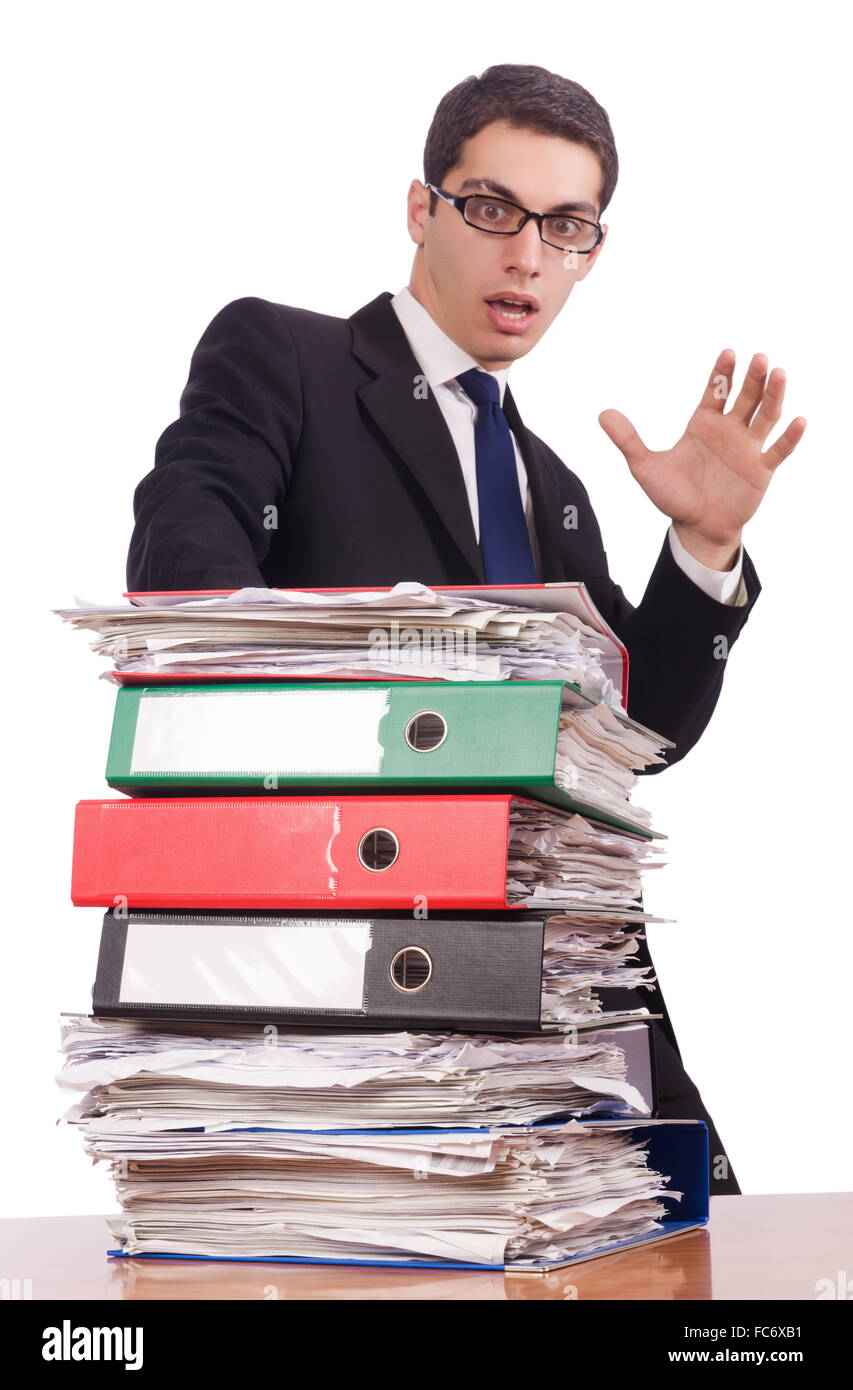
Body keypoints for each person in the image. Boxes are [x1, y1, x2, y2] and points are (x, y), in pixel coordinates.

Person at [126, 64, 806, 1194]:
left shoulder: (557, 486)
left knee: (712, 1295)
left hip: (569, 993)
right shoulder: (284, 360)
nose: (526, 254)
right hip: (347, 984)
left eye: (565, 225)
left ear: (591, 251)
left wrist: (701, 552)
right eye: (491, 209)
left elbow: (634, 737)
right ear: (419, 209)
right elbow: (185, 586)